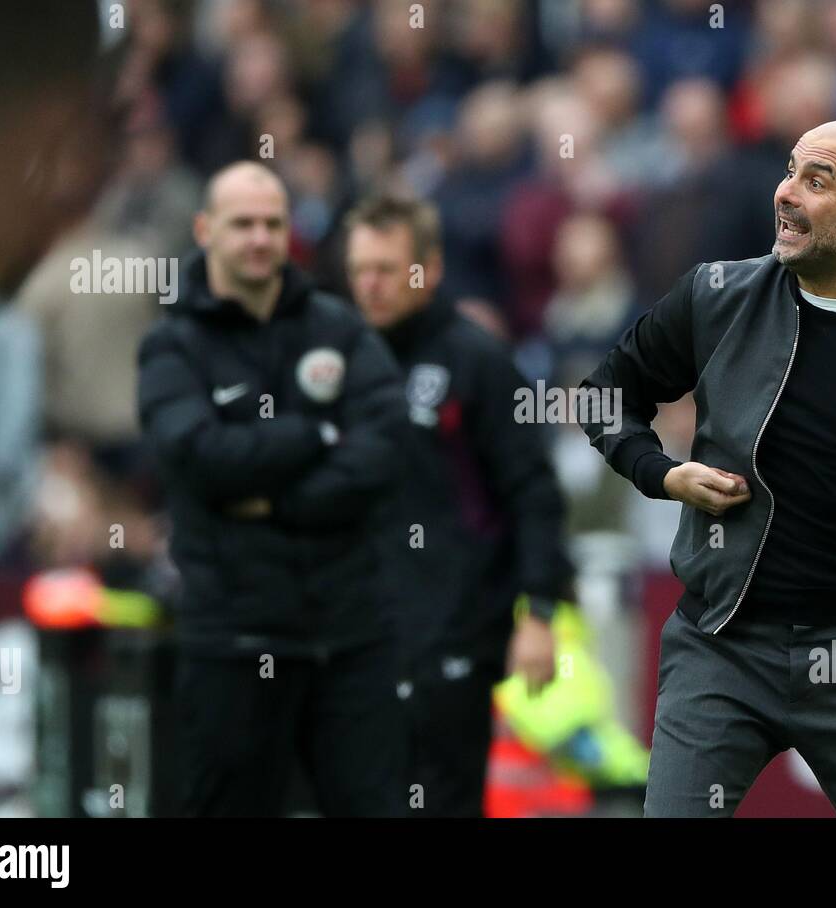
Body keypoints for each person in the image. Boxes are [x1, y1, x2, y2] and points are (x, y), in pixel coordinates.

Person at [579, 119, 836, 817]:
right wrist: (660, 473)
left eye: (816, 181)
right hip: (722, 647)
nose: (787, 193)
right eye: (790, 171)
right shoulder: (715, 296)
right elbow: (603, 396)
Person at [137, 162, 408, 816]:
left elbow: (386, 448)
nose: (260, 239)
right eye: (243, 224)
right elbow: (200, 457)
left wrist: (276, 500)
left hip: (350, 636)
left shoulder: (338, 328)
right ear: (205, 230)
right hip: (233, 637)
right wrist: (316, 434)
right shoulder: (173, 346)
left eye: (273, 224)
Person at [344, 195, 574, 817]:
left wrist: (540, 611)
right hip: (363, 634)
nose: (371, 285)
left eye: (387, 269)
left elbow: (533, 492)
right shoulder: (342, 363)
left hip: (455, 631)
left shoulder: (478, 361)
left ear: (430, 269)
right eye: (360, 270)